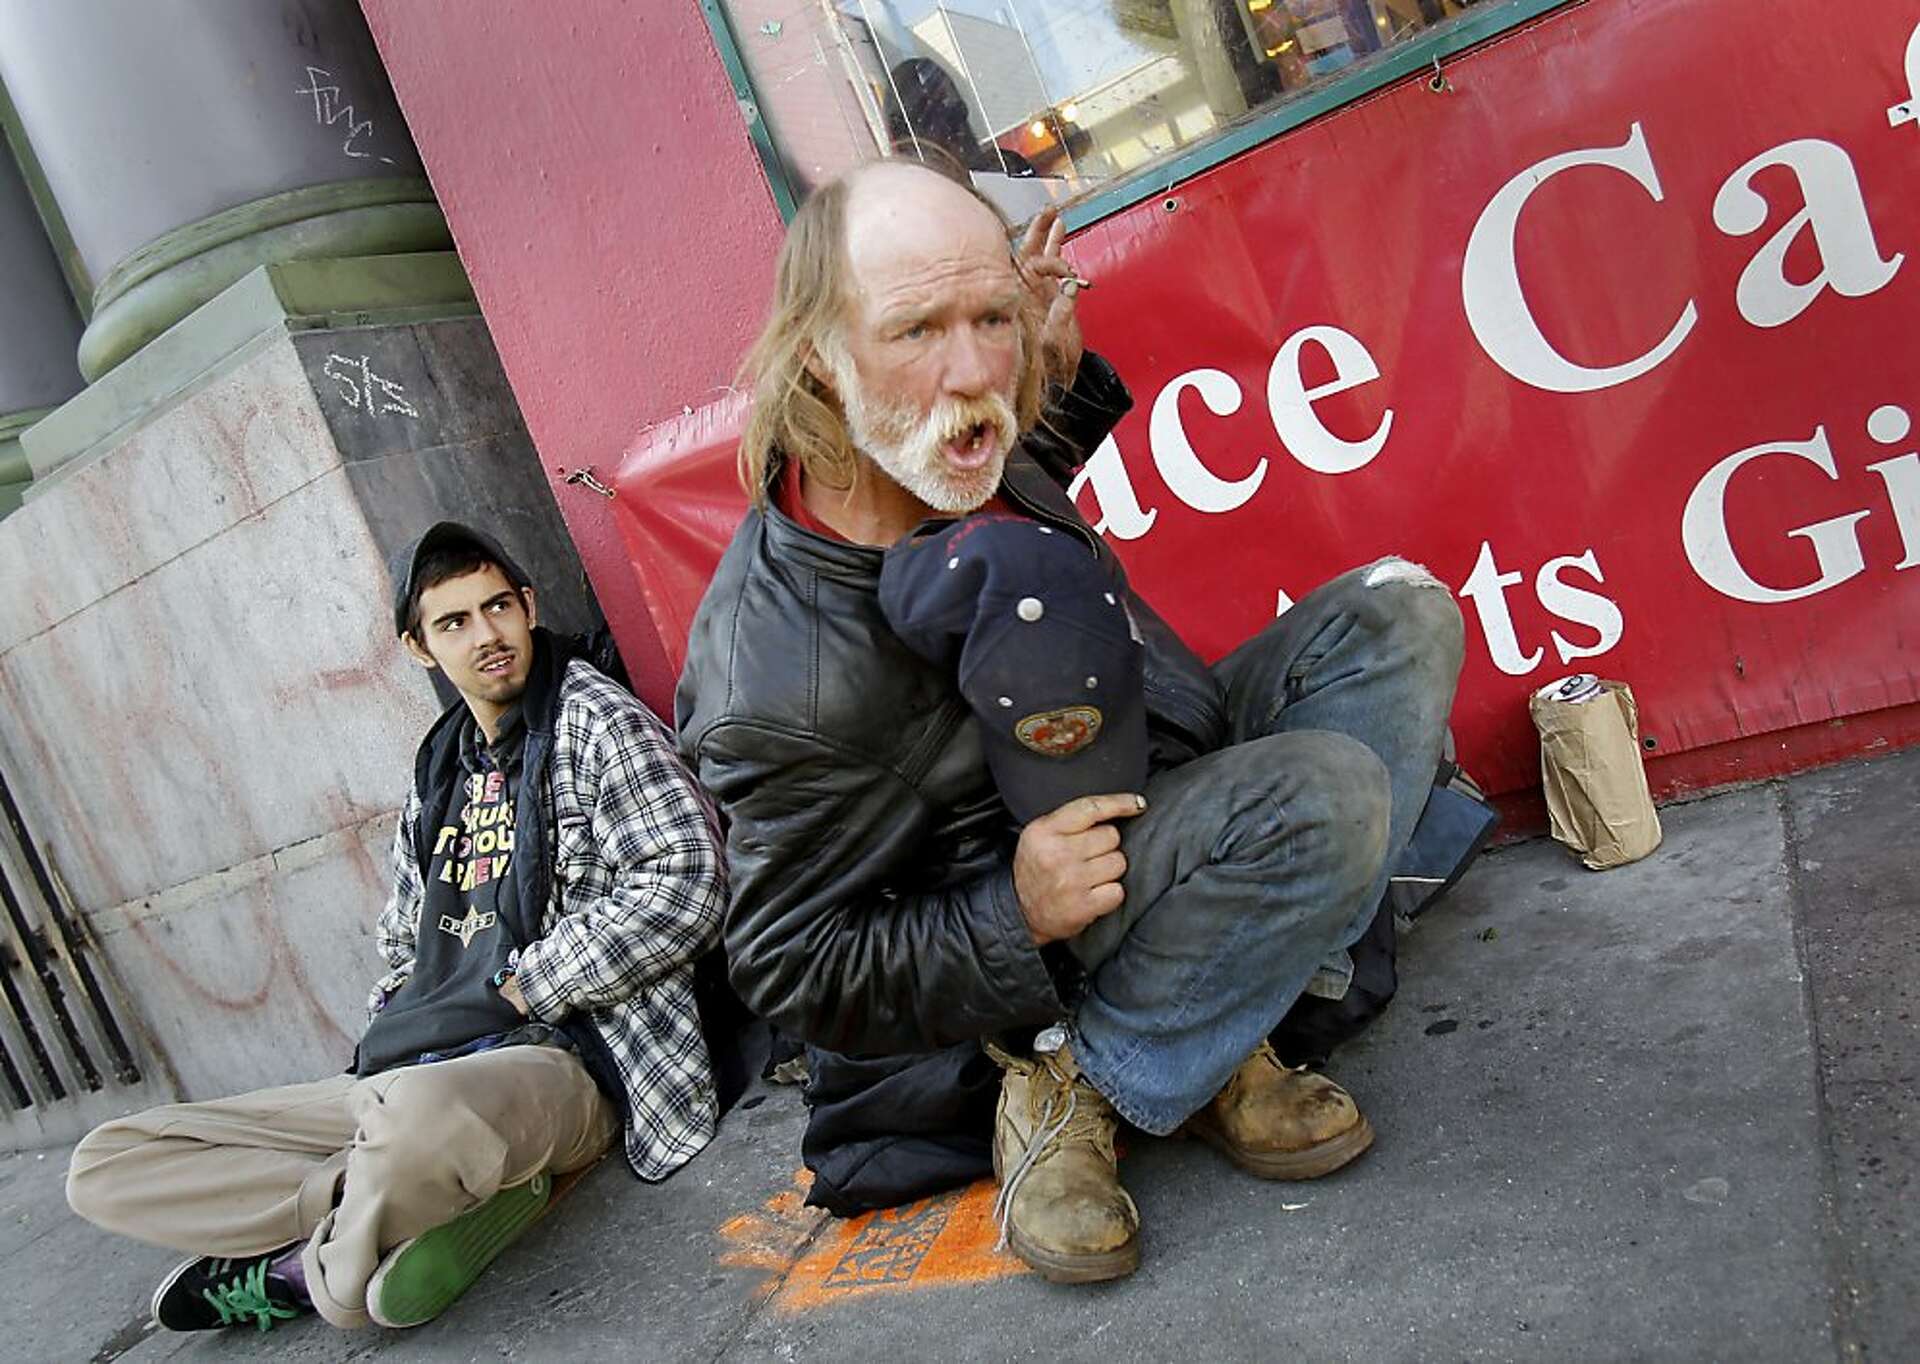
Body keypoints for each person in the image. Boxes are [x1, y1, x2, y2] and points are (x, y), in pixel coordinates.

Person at [676, 158, 1465, 1283]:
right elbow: (793, 967)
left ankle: (1240, 1005)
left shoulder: (934, 448)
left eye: (989, 314)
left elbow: (997, 471)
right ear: (819, 353)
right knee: (1327, 795)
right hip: (1041, 930)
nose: (971, 370)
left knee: (1403, 616)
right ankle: (1080, 1081)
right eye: (915, 330)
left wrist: (1053, 368)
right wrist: (1014, 910)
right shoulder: (786, 681)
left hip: (1154, 768)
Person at [67, 522, 728, 1332]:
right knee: (108, 1163)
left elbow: (688, 881)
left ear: (528, 607)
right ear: (419, 647)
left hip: (556, 1058)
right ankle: (377, 1204)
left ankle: (308, 1272)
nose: (486, 636)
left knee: (421, 1123)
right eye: (454, 623)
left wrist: (527, 986)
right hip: (406, 1067)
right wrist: (392, 1020)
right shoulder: (438, 764)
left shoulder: (592, 718)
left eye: (497, 608)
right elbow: (401, 945)